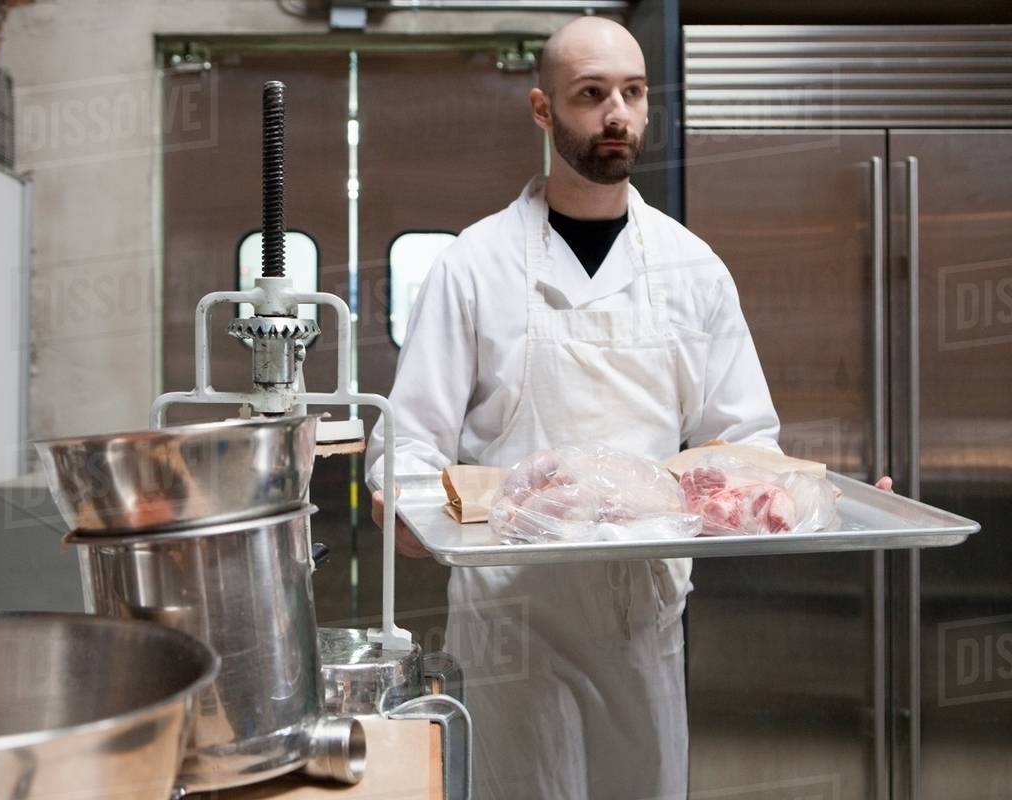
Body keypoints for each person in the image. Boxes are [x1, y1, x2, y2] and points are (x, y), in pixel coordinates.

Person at [366, 16, 884, 799]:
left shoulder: (691, 269)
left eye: (633, 93)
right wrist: (404, 514)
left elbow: (741, 445)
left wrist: (824, 503)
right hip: (514, 622)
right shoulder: (475, 266)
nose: (617, 113)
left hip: (640, 616)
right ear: (543, 110)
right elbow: (406, 451)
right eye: (592, 94)